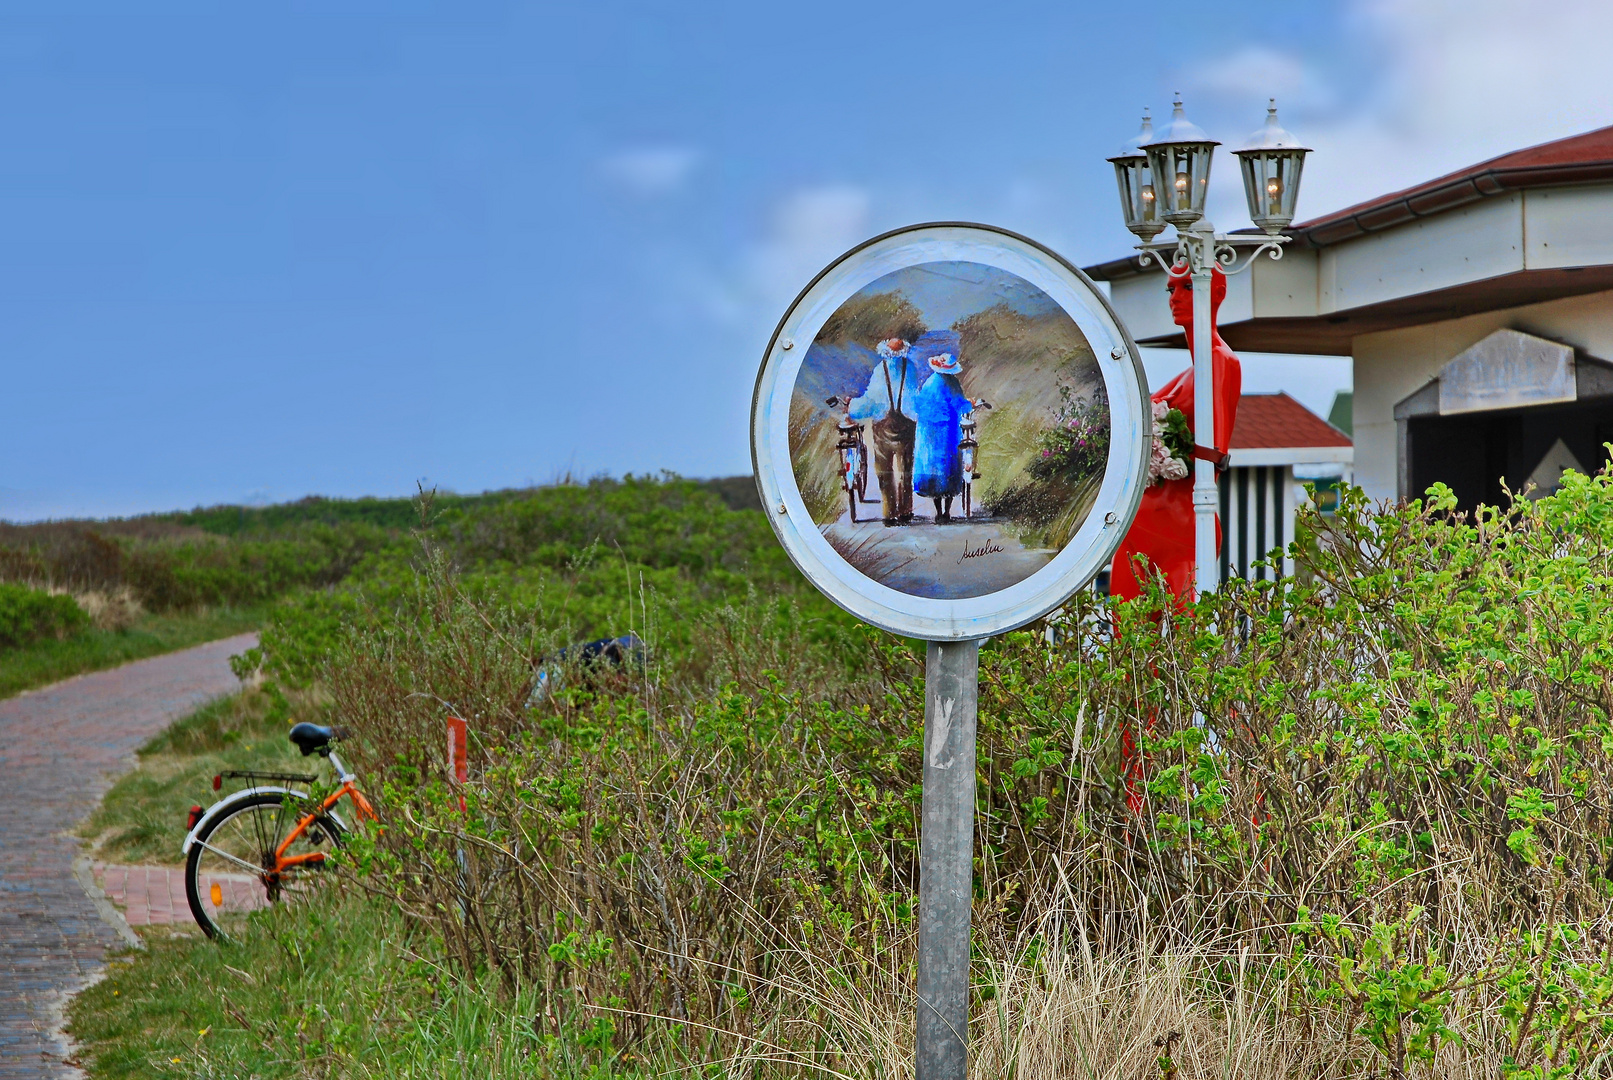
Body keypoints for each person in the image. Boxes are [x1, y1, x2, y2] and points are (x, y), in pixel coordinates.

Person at [1108, 266, 1241, 604]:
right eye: (1171, 290)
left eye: (1187, 287)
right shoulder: (1188, 373)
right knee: (1129, 646)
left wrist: (1154, 446)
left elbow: (1213, 453)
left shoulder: (1221, 361)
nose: (1176, 299)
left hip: (1181, 531)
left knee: (1183, 645)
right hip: (1138, 529)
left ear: (1217, 294)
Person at [847, 337, 925, 525]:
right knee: (905, 469)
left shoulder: (880, 370)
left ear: (886, 351)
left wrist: (852, 407)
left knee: (884, 471)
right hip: (907, 425)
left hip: (883, 427)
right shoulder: (911, 368)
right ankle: (905, 511)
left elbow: (872, 401)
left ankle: (889, 513)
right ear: (903, 351)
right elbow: (914, 400)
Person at [911, 331, 983, 522]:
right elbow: (960, 405)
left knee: (934, 467)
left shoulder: (929, 383)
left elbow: (919, 405)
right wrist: (972, 404)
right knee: (949, 467)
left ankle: (937, 512)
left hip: (928, 432)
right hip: (947, 432)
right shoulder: (952, 384)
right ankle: (947, 513)